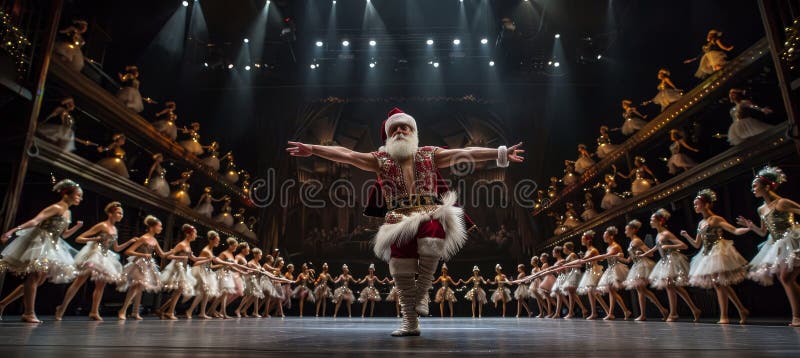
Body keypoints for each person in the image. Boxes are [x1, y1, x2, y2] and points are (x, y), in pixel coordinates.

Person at [286, 107, 523, 336]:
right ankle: (410, 322)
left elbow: (466, 152)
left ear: (413, 132)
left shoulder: (429, 154)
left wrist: (500, 153)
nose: (399, 131)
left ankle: (422, 293)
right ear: (388, 136)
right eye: (394, 129)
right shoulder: (380, 159)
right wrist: (313, 149)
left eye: (404, 127)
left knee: (433, 234)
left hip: (429, 212)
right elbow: (346, 154)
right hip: (398, 219)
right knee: (401, 270)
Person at [0, 179, 83, 323]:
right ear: (66, 194)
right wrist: (12, 231)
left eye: (81, 196)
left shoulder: (68, 212)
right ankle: (29, 313)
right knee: (35, 276)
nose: (80, 199)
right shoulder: (56, 207)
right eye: (77, 195)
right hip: (40, 241)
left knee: (40, 280)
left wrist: (76, 228)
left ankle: (2, 304)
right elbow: (35, 221)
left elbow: (64, 234)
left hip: (53, 244)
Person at [737, 166, 800, 326]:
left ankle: (796, 316)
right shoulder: (761, 209)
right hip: (776, 243)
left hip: (792, 239)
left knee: (786, 277)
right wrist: (751, 226)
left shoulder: (782, 202)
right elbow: (763, 232)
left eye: (755, 186)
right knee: (785, 278)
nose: (753, 189)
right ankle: (797, 315)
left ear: (766, 187)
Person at [55, 202, 136, 321]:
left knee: (101, 285)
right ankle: (62, 308)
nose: (121, 215)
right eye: (119, 213)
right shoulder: (102, 225)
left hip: (105, 257)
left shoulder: (115, 229)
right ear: (110, 213)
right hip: (94, 254)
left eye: (122, 214)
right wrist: (95, 239)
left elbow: (116, 248)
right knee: (79, 281)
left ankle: (94, 311)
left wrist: (130, 242)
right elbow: (79, 238)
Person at [682, 189, 750, 324]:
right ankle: (741, 309)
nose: (695, 206)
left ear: (706, 204)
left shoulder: (716, 219)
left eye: (697, 204)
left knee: (718, 283)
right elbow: (697, 244)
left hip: (718, 251)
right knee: (720, 284)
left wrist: (749, 227)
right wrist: (686, 236)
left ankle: (724, 315)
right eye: (694, 204)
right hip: (706, 253)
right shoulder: (701, 223)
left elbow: (734, 230)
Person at [643, 209, 701, 322]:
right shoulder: (658, 234)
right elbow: (657, 247)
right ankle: (694, 309)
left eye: (652, 220)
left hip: (672, 259)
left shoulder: (666, 233)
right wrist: (644, 254)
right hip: (665, 260)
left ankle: (673, 313)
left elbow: (683, 245)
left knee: (669, 285)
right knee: (675, 287)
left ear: (660, 221)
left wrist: (669, 246)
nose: (650, 222)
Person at [117, 215, 169, 320]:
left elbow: (162, 254)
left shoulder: (154, 240)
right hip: (139, 264)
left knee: (140, 288)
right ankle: (123, 310)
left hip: (148, 265)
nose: (161, 228)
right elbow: (128, 251)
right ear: (152, 227)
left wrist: (174, 251)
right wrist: (143, 254)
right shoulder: (144, 238)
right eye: (159, 226)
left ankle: (135, 312)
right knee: (135, 287)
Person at [621, 219, 668, 321]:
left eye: (627, 230)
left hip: (642, 265)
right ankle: (661, 309)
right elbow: (628, 260)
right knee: (641, 290)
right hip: (636, 265)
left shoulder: (637, 241)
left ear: (633, 230)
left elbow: (650, 253)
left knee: (640, 289)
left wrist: (641, 253)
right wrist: (617, 258)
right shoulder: (631, 242)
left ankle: (645, 314)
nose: (625, 232)